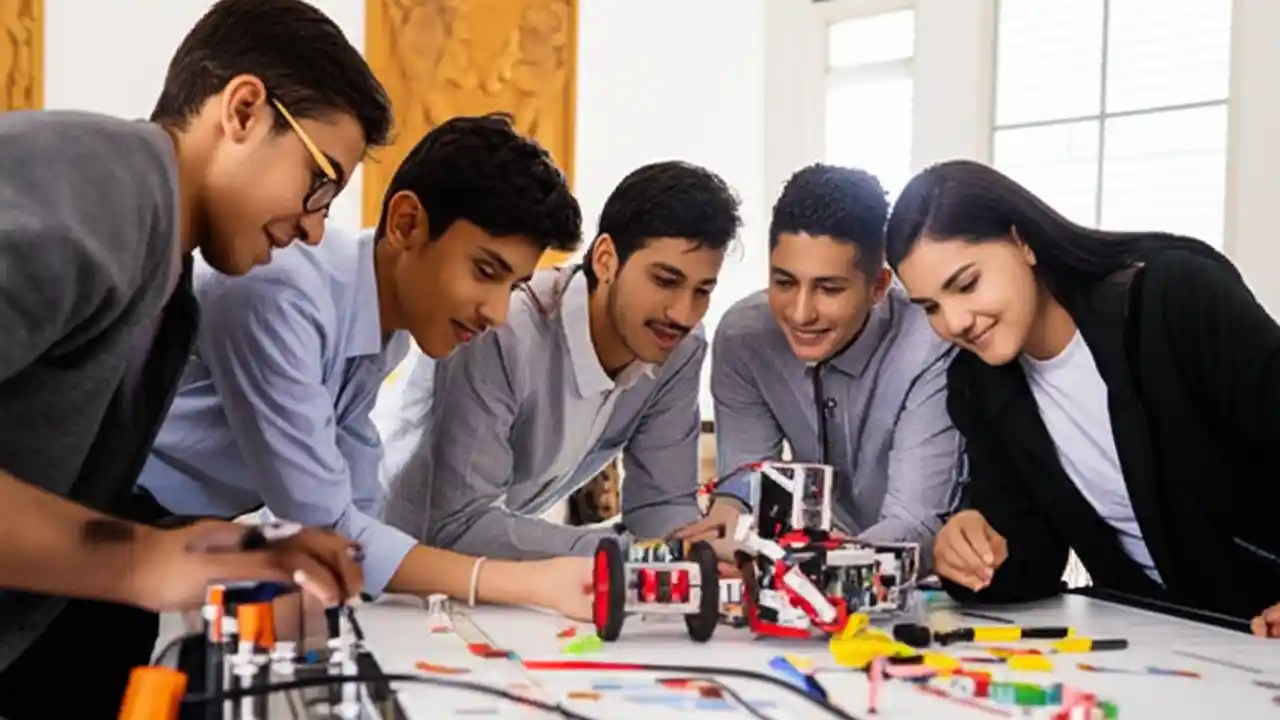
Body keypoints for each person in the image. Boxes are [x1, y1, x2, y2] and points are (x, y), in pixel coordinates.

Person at [0, 0, 392, 715]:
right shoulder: (99, 193)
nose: (312, 228)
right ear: (243, 110)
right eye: (321, 183)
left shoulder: (169, 284)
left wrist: (207, 543)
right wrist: (143, 561)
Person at [139, 114, 596, 628]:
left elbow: (353, 509)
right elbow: (321, 523)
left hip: (170, 537)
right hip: (112, 524)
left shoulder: (384, 327)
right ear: (406, 224)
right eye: (485, 271)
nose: (495, 312)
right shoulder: (283, 292)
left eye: (514, 287)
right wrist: (529, 582)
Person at [885, 159, 1280, 638]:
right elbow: (1032, 561)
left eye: (966, 284)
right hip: (1159, 637)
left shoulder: (1174, 297)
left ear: (1022, 241)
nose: (955, 323)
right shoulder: (978, 385)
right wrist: (973, 550)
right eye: (931, 307)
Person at [384, 160, 741, 558]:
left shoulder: (680, 346)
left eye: (702, 290)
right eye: (665, 281)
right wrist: (633, 553)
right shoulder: (504, 327)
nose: (682, 313)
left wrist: (696, 552)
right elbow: (461, 525)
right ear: (606, 259)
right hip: (391, 564)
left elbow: (661, 507)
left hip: (495, 578)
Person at [675, 164, 961, 568]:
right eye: (784, 282)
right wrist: (731, 516)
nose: (800, 312)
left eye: (828, 288)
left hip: (942, 587)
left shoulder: (931, 340)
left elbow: (914, 525)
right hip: (814, 578)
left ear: (878, 286)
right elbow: (746, 488)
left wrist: (802, 571)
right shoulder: (744, 338)